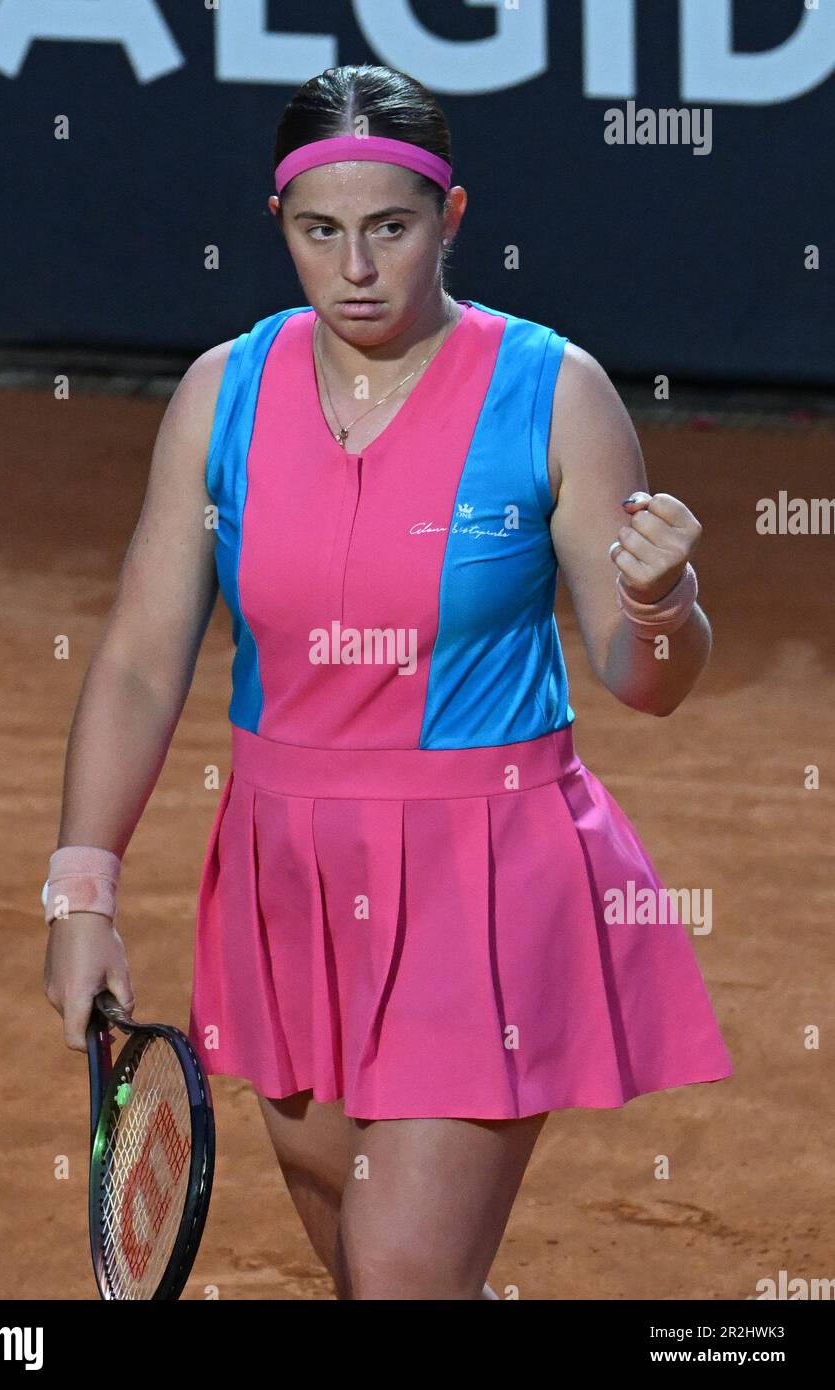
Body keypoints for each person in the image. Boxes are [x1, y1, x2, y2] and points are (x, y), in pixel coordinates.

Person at [43, 64, 733, 1301]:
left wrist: (660, 602)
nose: (356, 267)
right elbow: (144, 660)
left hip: (486, 882)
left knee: (406, 1274)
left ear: (451, 216)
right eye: (321, 232)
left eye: (391, 229)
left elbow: (647, 683)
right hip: (285, 885)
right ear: (279, 228)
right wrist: (80, 888)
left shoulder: (551, 391)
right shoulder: (222, 395)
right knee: (367, 1271)